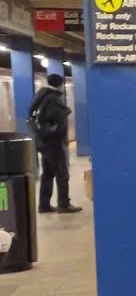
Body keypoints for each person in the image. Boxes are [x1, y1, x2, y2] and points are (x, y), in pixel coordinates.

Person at [27, 75, 82, 214]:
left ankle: (44, 205)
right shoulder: (52, 98)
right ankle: (63, 204)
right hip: (53, 142)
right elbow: (56, 117)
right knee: (62, 173)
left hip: (42, 141)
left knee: (47, 173)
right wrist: (59, 130)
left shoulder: (40, 96)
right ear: (59, 84)